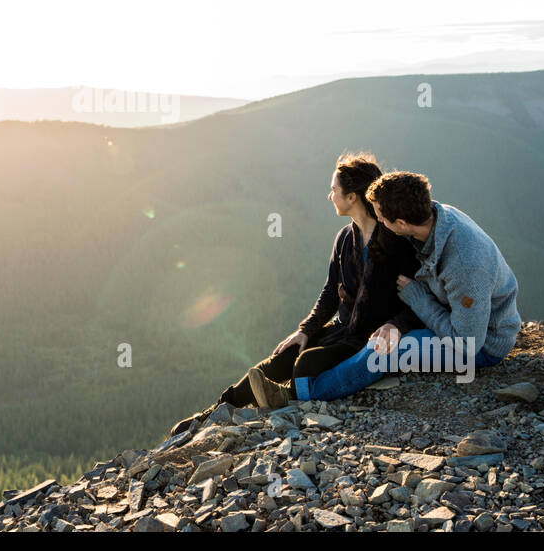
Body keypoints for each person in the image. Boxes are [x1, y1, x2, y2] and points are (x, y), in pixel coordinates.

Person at [166, 152, 424, 434]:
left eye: (333, 190)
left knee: (306, 363)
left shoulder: (396, 241)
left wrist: (396, 324)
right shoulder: (344, 239)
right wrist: (305, 330)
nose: (329, 196)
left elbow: (422, 296)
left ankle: (282, 396)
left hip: (370, 338)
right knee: (284, 356)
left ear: (351, 197)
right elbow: (330, 293)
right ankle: (214, 412)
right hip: (343, 329)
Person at [268, 169, 521, 403]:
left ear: (400, 224)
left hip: (482, 343)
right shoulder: (436, 217)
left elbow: (467, 343)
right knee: (390, 336)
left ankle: (301, 394)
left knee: (390, 349)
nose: (376, 218)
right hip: (459, 317)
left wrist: (419, 299)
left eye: (379, 216)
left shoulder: (465, 264)